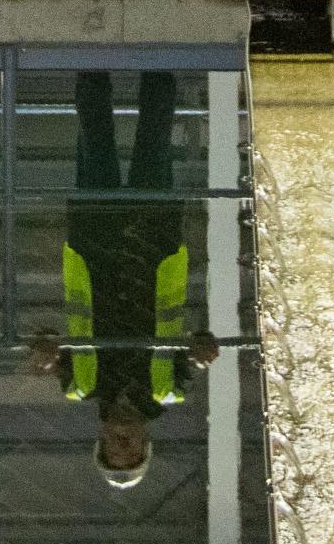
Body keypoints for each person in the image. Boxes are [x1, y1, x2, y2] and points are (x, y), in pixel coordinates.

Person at [27, 70, 219, 486]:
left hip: (95, 246)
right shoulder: (168, 390)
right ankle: (161, 58)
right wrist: (203, 348)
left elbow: (46, 342)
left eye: (114, 448)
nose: (122, 439)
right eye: (130, 449)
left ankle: (91, 61)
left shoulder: (79, 387)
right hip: (154, 247)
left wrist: (42, 350)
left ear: (100, 439)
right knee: (154, 143)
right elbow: (196, 353)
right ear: (145, 442)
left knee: (95, 144)